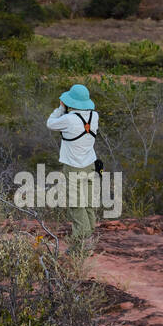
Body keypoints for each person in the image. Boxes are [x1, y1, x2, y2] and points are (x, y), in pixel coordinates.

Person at [45, 84, 100, 238]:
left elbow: (50, 123)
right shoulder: (94, 116)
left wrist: (61, 108)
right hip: (90, 165)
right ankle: (89, 234)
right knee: (88, 202)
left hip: (74, 167)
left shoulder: (68, 119)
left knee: (76, 205)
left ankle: (79, 243)